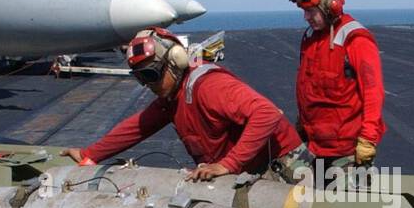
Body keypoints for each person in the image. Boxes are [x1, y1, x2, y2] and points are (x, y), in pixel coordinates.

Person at [65, 27, 307, 181]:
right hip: (249, 169)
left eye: (150, 75)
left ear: (175, 62)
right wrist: (91, 154)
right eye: (140, 79)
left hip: (283, 167)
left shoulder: (209, 87)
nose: (148, 85)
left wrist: (226, 165)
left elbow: (266, 114)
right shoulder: (172, 96)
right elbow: (138, 126)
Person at [288, 0, 385, 175]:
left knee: (344, 205)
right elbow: (308, 86)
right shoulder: (310, 38)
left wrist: (368, 139)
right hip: (313, 145)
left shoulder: (355, 38)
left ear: (331, 7)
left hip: (346, 152)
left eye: (310, 11)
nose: (306, 17)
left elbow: (373, 92)